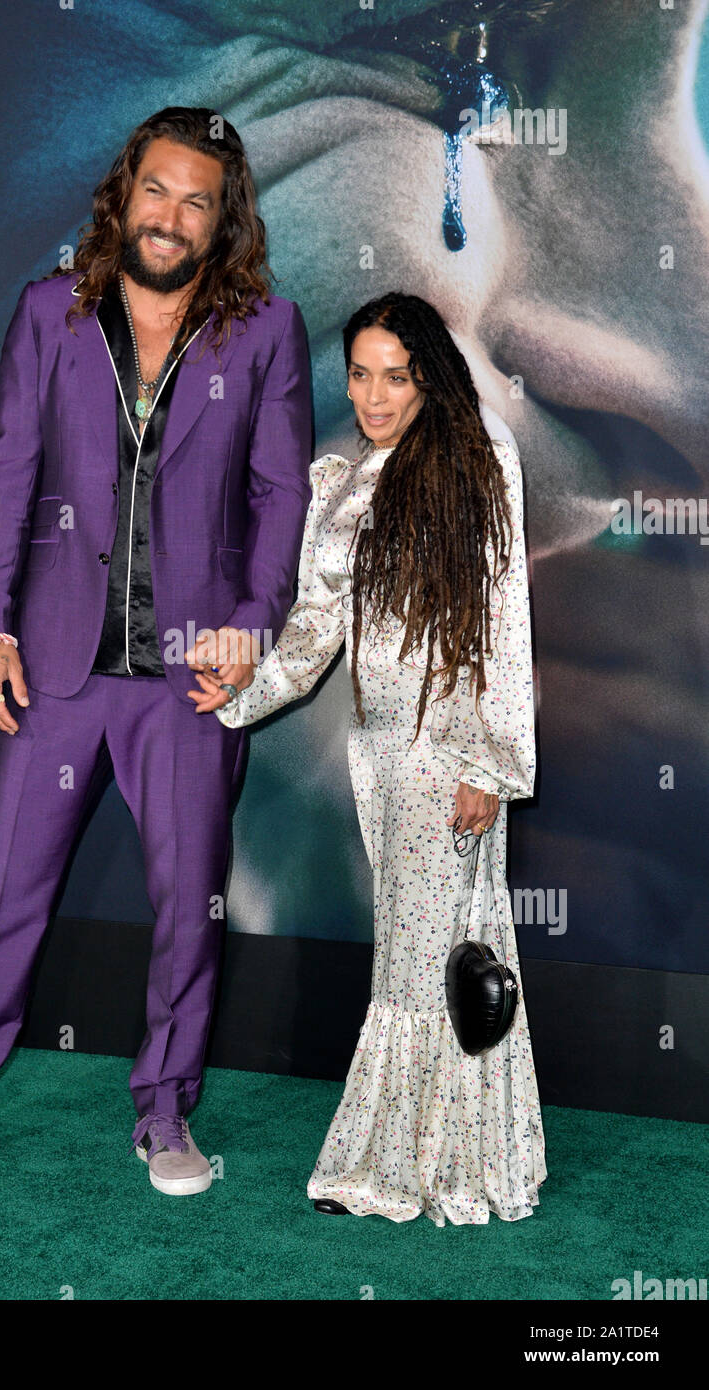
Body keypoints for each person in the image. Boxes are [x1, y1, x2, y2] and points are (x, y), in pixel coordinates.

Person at [0, 107, 313, 1196]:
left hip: (191, 676)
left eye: (199, 199)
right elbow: (6, 474)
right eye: (158, 189)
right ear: (124, 191)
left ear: (223, 217)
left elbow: (280, 493)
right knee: (6, 899)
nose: (173, 214)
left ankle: (166, 1117)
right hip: (57, 668)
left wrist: (252, 620)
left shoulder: (268, 328)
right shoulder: (51, 312)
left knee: (188, 907)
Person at [191, 293, 546, 1224]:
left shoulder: (480, 462)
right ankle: (456, 1156)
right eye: (360, 373)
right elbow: (313, 632)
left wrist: (493, 762)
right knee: (414, 951)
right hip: (378, 753)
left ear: (429, 375)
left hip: (448, 749)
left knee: (425, 963)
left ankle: (406, 1168)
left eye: (397, 374)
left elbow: (503, 616)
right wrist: (242, 698)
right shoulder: (342, 481)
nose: (375, 394)